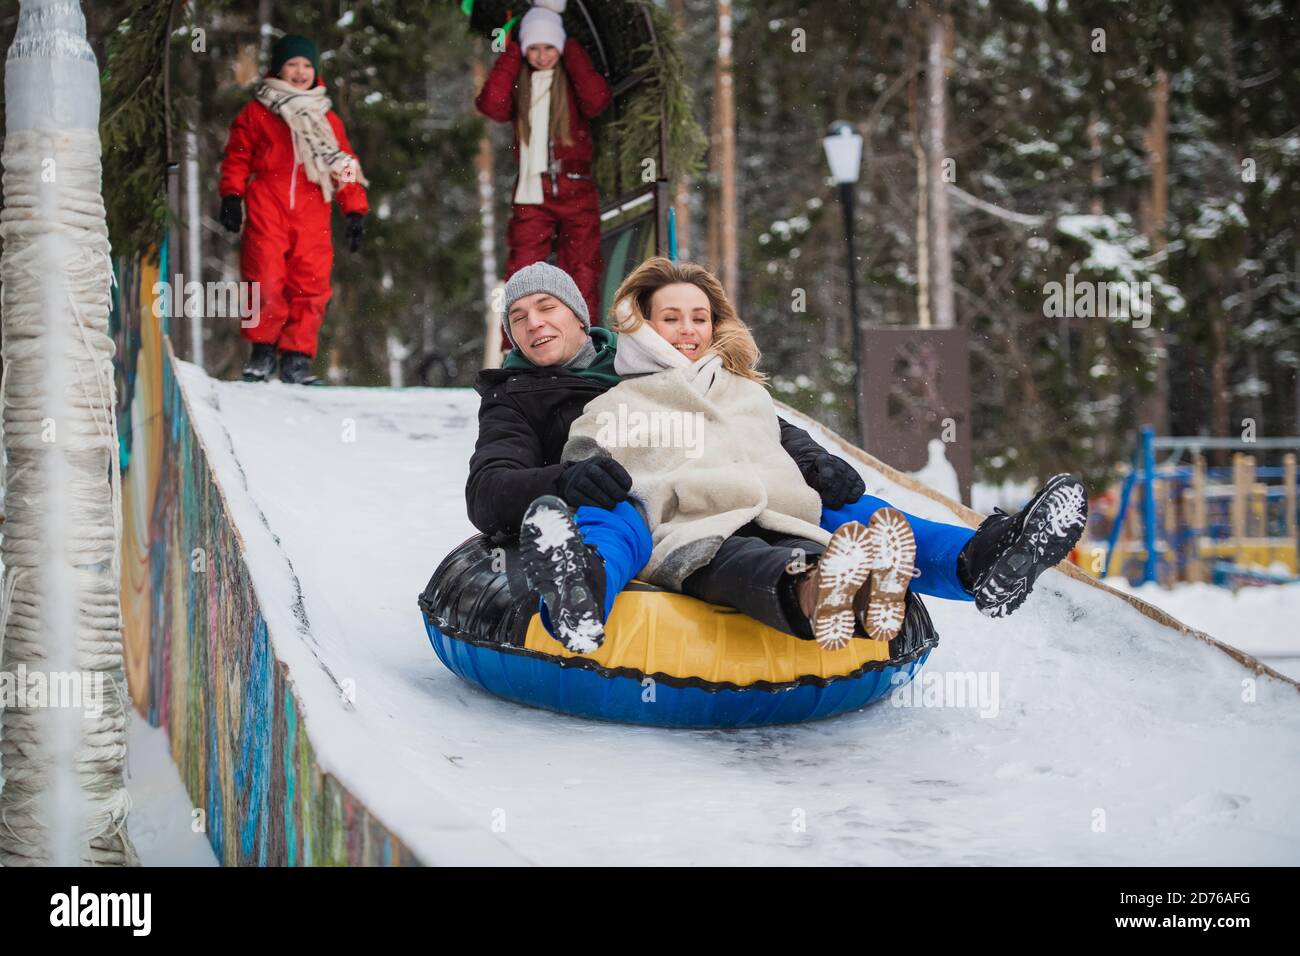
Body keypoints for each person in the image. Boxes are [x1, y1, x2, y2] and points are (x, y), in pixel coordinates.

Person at [559, 258, 1089, 648]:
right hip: (700, 526)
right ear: (642, 323)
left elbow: (787, 441)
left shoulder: (744, 392)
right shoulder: (618, 401)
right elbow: (585, 464)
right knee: (770, 562)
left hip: (783, 509)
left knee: (872, 521)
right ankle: (832, 591)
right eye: (671, 318)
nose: (688, 330)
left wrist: (819, 466)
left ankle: (984, 560)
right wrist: (582, 476)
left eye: (699, 317)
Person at [465, 262, 865, 651]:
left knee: (811, 513)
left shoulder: (642, 357)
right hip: (634, 509)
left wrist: (814, 461)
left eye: (546, 307)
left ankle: (860, 582)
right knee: (670, 533)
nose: (533, 322)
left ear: (578, 316)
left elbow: (746, 418)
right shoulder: (513, 399)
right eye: (518, 318)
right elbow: (488, 490)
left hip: (709, 487)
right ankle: (581, 586)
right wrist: (565, 479)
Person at [219, 33, 369, 385]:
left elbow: (344, 164)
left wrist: (355, 210)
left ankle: (297, 358)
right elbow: (237, 156)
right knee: (265, 281)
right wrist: (231, 195)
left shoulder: (326, 117)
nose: (300, 72)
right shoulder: (258, 112)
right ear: (277, 68)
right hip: (267, 206)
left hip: (312, 209)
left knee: (311, 284)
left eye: (306, 65)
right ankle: (263, 351)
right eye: (292, 64)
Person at [474, 0, 611, 325]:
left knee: (582, 268)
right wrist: (514, 51)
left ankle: (583, 336)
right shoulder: (521, 81)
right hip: (532, 191)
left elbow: (597, 101)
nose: (542, 55)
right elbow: (491, 104)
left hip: (576, 187)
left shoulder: (570, 80)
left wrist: (572, 51)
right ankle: (518, 344)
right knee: (522, 268)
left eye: (550, 47)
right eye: (534, 48)